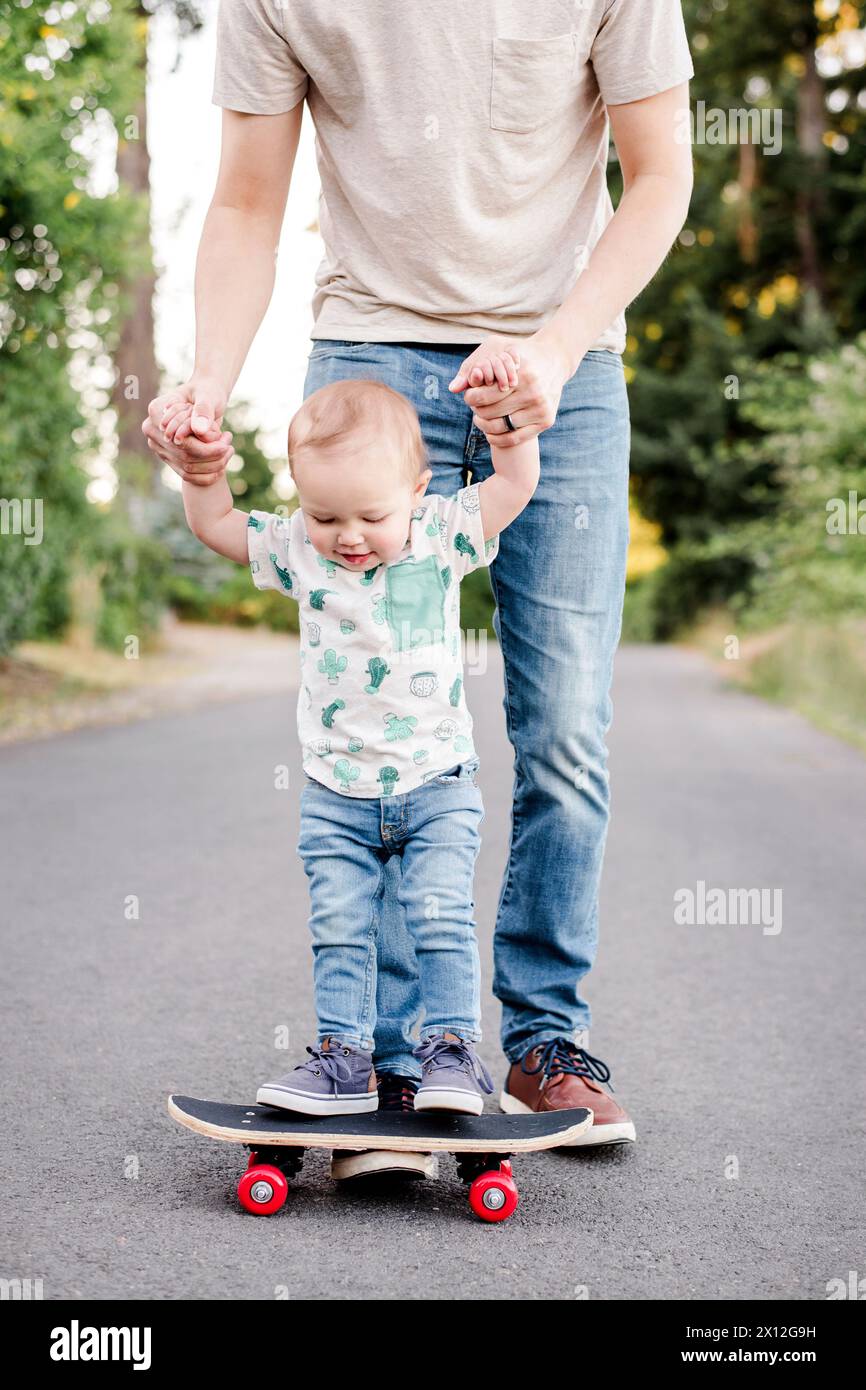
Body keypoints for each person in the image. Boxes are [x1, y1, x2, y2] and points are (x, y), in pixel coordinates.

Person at [143, 1, 695, 1171]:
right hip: (368, 349)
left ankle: (545, 1039)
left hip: (564, 353)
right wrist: (204, 388)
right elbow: (245, 198)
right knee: (376, 743)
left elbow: (656, 175)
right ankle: (393, 1067)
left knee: (562, 729)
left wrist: (549, 350)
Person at [179, 359, 538, 1119]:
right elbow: (215, 524)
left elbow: (513, 489)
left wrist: (506, 426)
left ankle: (450, 1053)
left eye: (371, 517)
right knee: (340, 930)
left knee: (439, 914)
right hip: (334, 797)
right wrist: (201, 471)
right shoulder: (297, 550)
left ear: (417, 491)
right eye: (325, 516)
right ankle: (347, 1059)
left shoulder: (441, 534)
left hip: (438, 786)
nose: (348, 538)